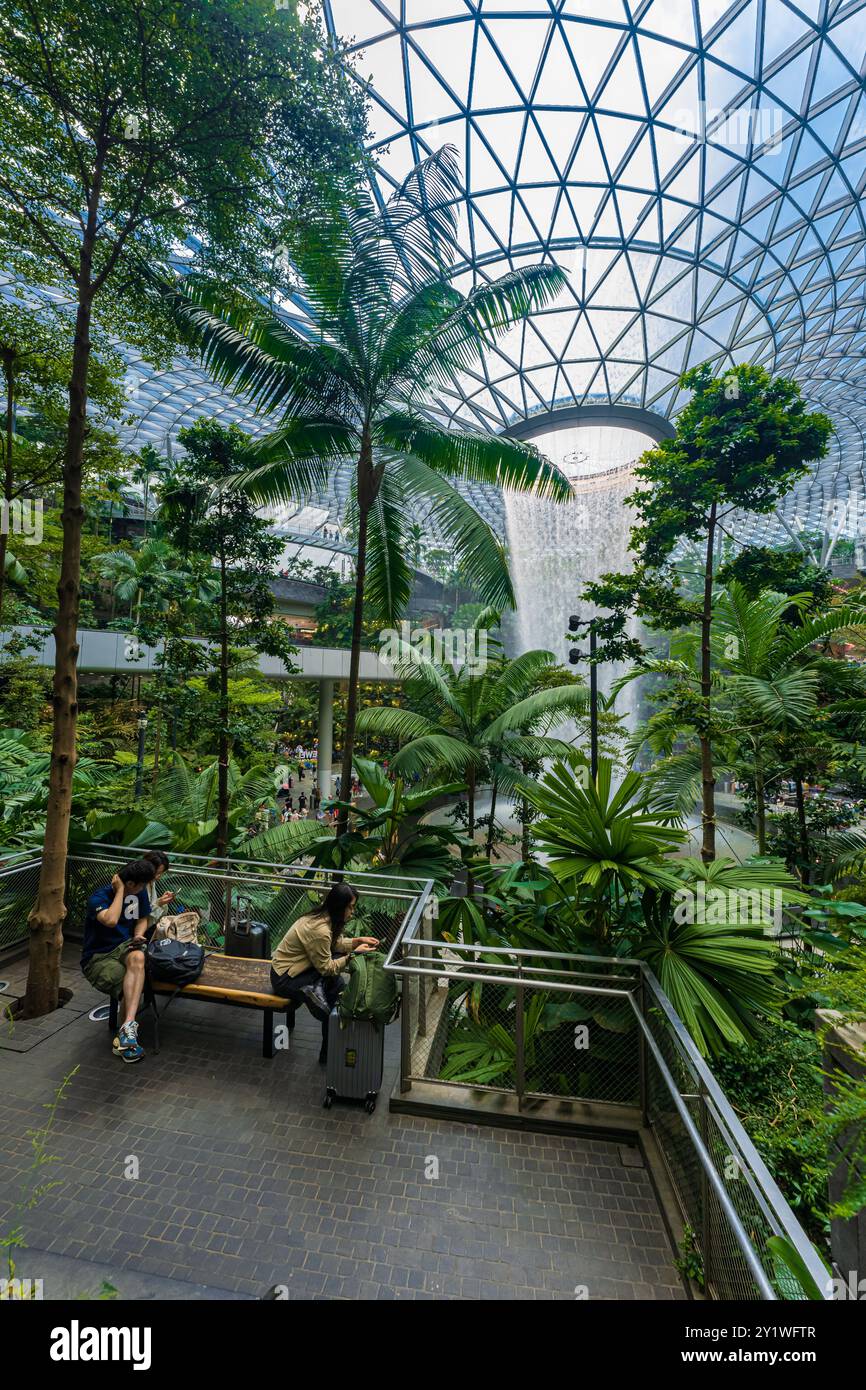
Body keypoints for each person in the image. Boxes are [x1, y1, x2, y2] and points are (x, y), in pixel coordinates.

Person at [269, 885, 379, 1063]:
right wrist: (353, 955)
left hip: (301, 969)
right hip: (286, 979)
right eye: (350, 906)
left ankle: (319, 995)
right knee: (331, 1004)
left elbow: (333, 945)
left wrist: (356, 942)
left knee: (336, 992)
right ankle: (328, 1048)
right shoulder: (320, 929)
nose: (352, 911)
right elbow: (326, 968)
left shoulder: (323, 918)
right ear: (339, 906)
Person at [80, 859, 158, 1064]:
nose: (143, 889)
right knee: (129, 986)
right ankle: (126, 1042)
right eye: (141, 885)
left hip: (124, 946)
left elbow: (142, 916)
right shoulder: (99, 897)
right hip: (98, 958)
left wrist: (139, 933)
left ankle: (127, 1027)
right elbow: (111, 920)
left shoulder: (138, 893)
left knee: (138, 957)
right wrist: (120, 891)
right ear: (131, 884)